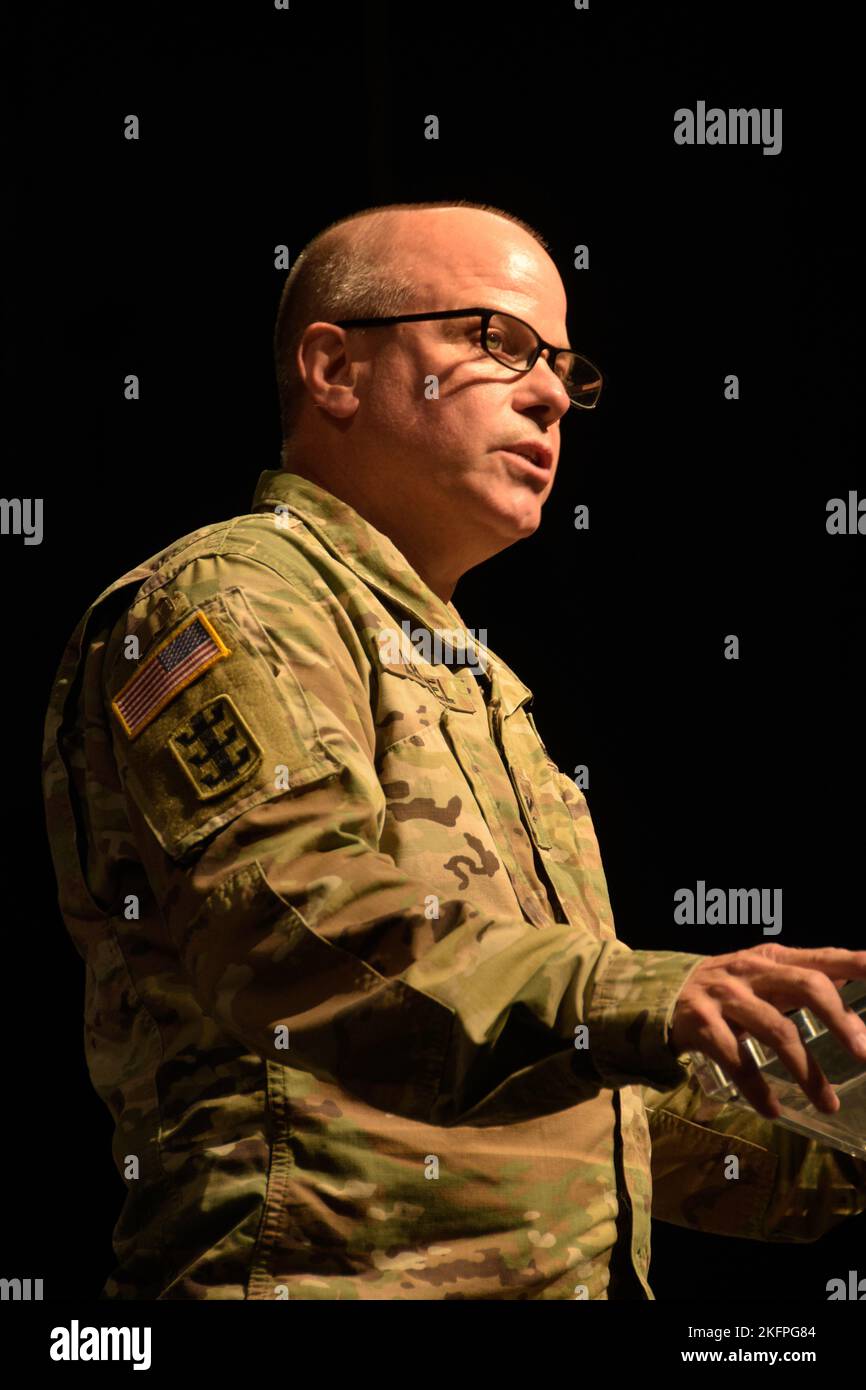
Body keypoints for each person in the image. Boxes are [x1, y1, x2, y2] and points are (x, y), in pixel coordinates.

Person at [41, 201, 866, 1301]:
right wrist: (646, 996)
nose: (547, 396)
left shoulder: (475, 682)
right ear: (334, 369)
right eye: (498, 343)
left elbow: (583, 1090)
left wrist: (842, 1120)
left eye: (566, 371)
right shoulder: (227, 602)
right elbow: (299, 936)